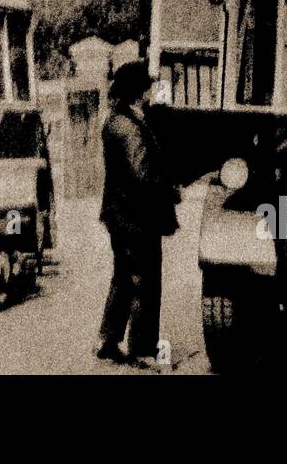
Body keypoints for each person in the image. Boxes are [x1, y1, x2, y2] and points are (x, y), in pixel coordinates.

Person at [95, 60, 181, 368]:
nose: (151, 90)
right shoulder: (128, 126)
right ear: (138, 91)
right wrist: (170, 189)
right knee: (144, 281)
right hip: (135, 215)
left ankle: (108, 339)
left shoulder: (118, 120)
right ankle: (142, 347)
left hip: (121, 213)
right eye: (147, 85)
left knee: (123, 278)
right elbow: (142, 173)